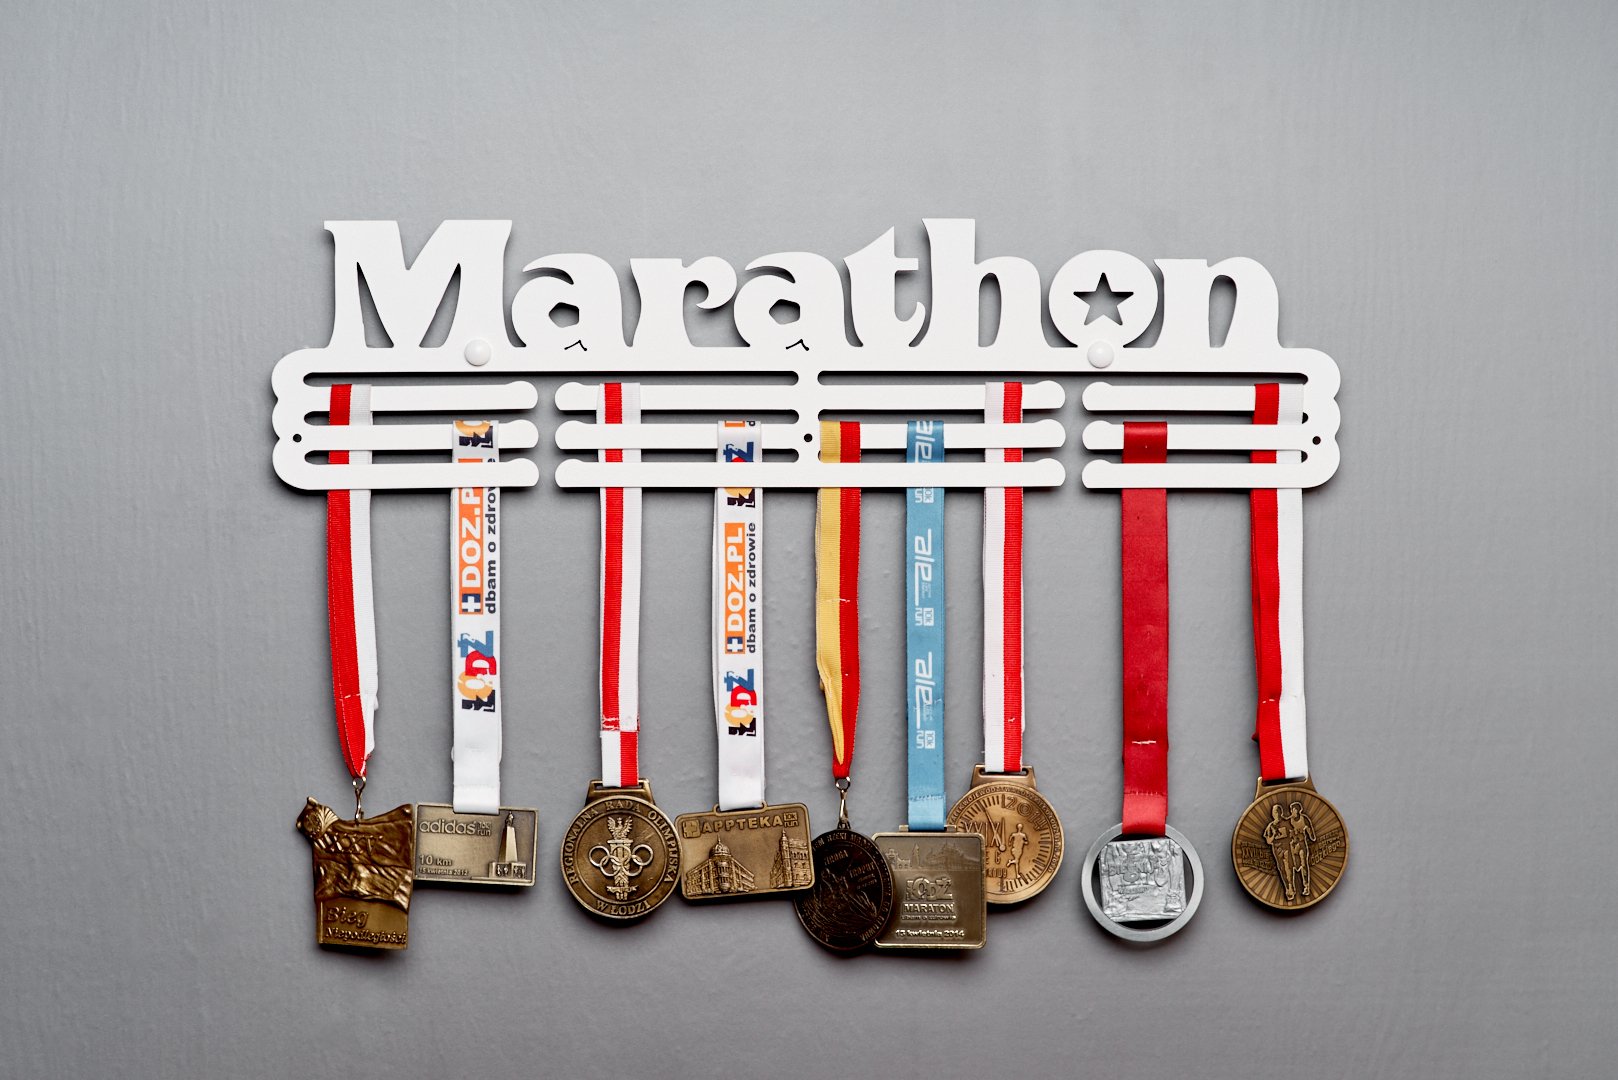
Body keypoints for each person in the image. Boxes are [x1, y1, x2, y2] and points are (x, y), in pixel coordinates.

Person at [1262, 804, 1296, 901]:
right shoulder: (1270, 826)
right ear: (1272, 814)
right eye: (1275, 812)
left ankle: (1291, 886)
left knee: (1288, 867)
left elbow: (1293, 834)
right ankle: (1287, 887)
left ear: (1281, 812)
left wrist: (1290, 836)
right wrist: (1274, 835)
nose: (1277, 813)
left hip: (1287, 848)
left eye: (1278, 811)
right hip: (1277, 850)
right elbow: (1268, 841)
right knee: (1281, 869)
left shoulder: (1286, 822)